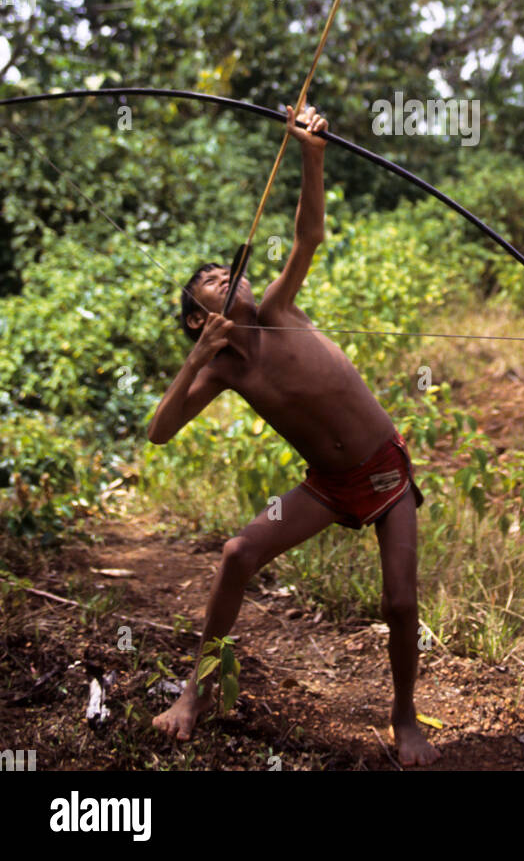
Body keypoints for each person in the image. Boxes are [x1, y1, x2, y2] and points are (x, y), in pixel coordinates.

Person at [148, 104, 438, 768]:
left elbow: (307, 237)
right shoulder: (221, 368)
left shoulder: (278, 311)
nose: (231, 278)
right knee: (236, 553)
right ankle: (194, 693)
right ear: (200, 321)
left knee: (399, 601)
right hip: (327, 488)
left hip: (387, 475)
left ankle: (404, 718)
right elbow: (160, 432)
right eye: (214, 285)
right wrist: (196, 360)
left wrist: (311, 150)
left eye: (229, 272)